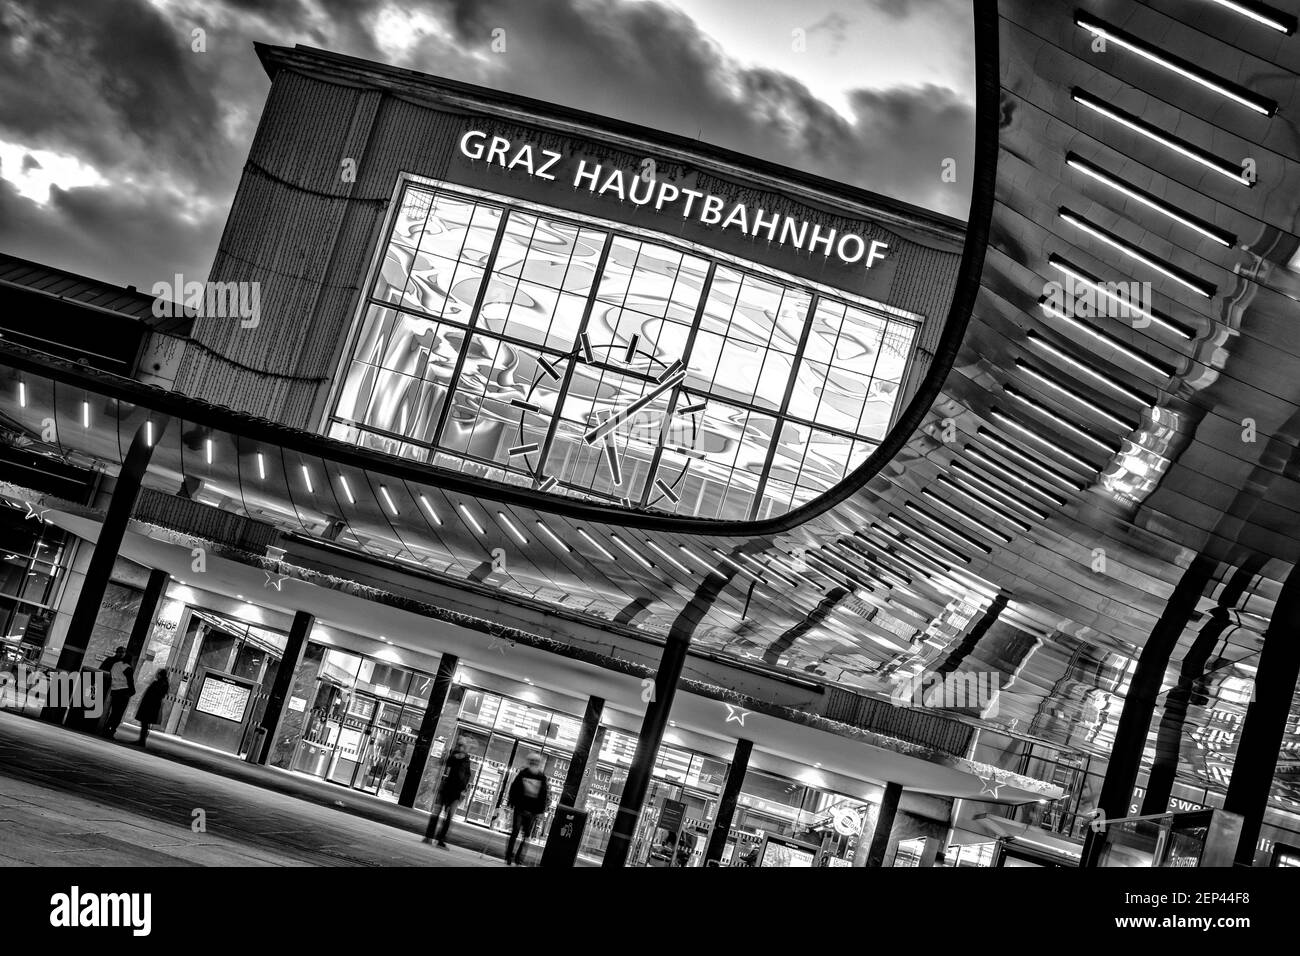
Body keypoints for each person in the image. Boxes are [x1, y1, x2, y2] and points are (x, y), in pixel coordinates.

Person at [423, 740, 473, 848]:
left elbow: (468, 775)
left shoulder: (466, 760)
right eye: (462, 747)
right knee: (437, 814)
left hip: (455, 791)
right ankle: (429, 836)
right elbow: (445, 762)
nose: (463, 749)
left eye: (464, 747)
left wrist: (463, 787)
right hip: (447, 788)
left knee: (448, 816)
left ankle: (440, 839)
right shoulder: (453, 757)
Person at [504, 754, 549, 866]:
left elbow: (543, 795)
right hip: (523, 808)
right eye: (532, 761)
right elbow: (515, 788)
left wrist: (540, 811)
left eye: (535, 762)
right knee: (519, 833)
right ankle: (512, 856)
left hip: (529, 809)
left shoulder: (538, 777)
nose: (534, 763)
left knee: (523, 835)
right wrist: (512, 802)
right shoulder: (529, 775)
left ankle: (515, 857)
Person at [100, 647, 135, 739]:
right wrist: (131, 692)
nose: (121, 654)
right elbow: (130, 681)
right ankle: (110, 730)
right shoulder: (127, 667)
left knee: (113, 712)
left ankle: (105, 728)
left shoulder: (114, 663)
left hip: (113, 690)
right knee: (118, 713)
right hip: (123, 692)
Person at [134, 669, 169, 747]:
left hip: (148, 705)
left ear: (159, 675)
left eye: (157, 674)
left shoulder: (157, 683)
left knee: (144, 723)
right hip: (155, 706)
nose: (156, 675)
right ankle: (142, 740)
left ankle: (142, 741)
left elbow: (149, 694)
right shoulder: (165, 684)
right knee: (146, 724)